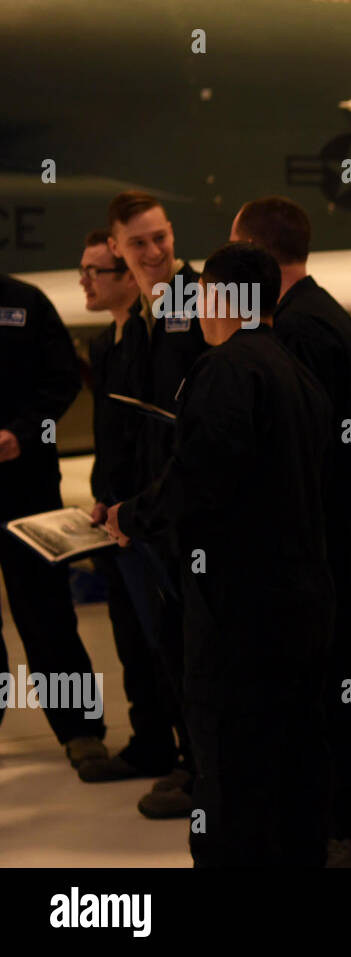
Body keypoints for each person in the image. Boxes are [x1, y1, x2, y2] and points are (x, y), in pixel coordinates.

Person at [106, 242, 334, 867]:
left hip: (239, 613)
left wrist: (132, 517)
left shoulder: (226, 369)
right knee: (292, 774)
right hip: (298, 607)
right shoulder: (295, 370)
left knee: (231, 778)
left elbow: (198, 480)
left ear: (222, 297)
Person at [230, 196, 351, 868]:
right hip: (337, 541)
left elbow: (303, 455)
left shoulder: (299, 333)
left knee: (336, 688)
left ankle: (350, 831)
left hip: (327, 547)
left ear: (257, 257)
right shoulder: (316, 315)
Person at [106, 190, 208, 816]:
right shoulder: (138, 318)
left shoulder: (200, 304)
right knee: (169, 646)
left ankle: (207, 778)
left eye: (161, 237)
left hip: (188, 516)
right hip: (150, 516)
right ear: (116, 247)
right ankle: (189, 761)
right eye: (138, 242)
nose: (154, 252)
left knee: (198, 651)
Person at [76, 230, 180, 782]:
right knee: (129, 633)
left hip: (142, 514)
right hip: (113, 510)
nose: (85, 282)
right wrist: (100, 494)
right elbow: (109, 433)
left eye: (97, 271)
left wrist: (138, 507)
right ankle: (149, 742)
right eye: (84, 270)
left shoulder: (148, 338)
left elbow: (150, 433)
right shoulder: (103, 344)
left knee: (162, 634)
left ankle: (186, 755)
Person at [0, 272, 107, 765]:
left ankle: (81, 730)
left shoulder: (26, 302)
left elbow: (63, 381)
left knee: (46, 614)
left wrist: (23, 434)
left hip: (26, 486)